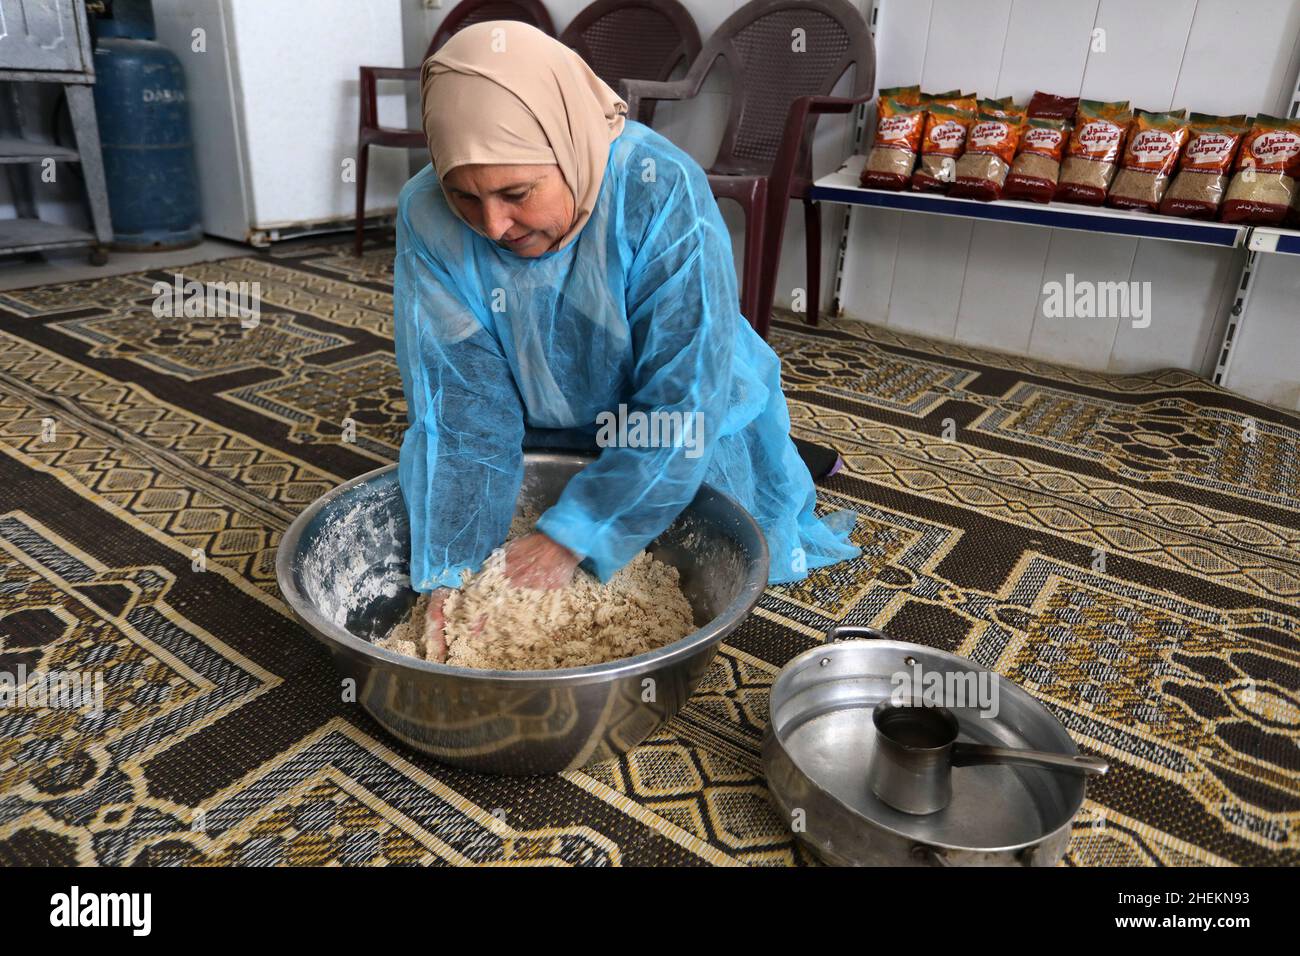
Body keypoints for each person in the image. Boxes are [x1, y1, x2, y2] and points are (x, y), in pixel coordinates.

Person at [394, 21, 858, 654]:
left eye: (517, 193)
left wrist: (572, 536)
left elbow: (682, 390)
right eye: (465, 197)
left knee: (718, 486)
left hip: (680, 404)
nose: (494, 225)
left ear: (569, 146)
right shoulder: (427, 214)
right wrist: (454, 569)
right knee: (484, 486)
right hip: (545, 411)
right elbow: (461, 405)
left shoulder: (656, 188)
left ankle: (779, 454)